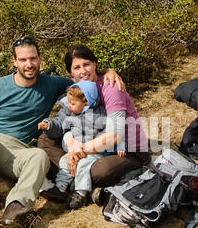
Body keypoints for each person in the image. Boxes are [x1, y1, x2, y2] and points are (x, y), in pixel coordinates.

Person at [0, 38, 126, 228]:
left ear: (40, 58)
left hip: (22, 153)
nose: (29, 64)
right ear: (14, 62)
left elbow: (83, 81)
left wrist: (106, 71)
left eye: (33, 59)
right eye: (23, 60)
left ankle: (16, 207)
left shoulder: (52, 83)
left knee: (40, 155)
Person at [37, 45, 151, 192]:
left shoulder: (111, 87)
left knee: (100, 171)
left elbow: (115, 136)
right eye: (76, 67)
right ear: (71, 73)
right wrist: (71, 143)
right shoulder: (77, 88)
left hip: (125, 149)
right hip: (89, 142)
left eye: (86, 64)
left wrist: (79, 150)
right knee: (45, 140)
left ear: (94, 64)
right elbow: (64, 120)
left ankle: (70, 177)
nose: (83, 71)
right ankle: (75, 176)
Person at [42, 82, 111, 209]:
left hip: (93, 152)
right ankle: (61, 188)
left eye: (73, 103)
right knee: (64, 161)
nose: (69, 106)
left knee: (83, 165)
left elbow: (108, 133)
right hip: (73, 149)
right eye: (69, 102)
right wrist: (49, 125)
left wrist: (90, 146)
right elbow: (59, 125)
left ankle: (80, 192)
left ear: (86, 103)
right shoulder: (70, 112)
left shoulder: (100, 114)